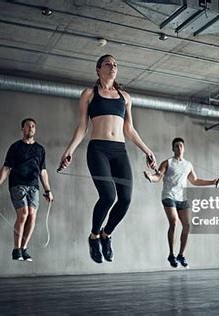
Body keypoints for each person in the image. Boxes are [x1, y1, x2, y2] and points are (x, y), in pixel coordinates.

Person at [58, 54, 157, 264]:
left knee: (126, 198)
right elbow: (83, 126)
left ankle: (106, 234)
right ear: (98, 69)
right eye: (108, 64)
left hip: (119, 150)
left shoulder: (125, 97)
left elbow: (129, 129)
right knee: (108, 196)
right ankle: (94, 236)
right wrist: (69, 150)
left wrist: (147, 150)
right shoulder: (89, 94)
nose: (112, 67)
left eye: (115, 65)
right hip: (98, 150)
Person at [144, 137, 219, 268]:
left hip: (182, 198)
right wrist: (151, 177)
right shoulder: (167, 162)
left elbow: (195, 181)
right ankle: (171, 254)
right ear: (173, 149)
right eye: (176, 146)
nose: (179, 148)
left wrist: (212, 182)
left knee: (187, 225)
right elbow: (159, 176)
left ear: (184, 148)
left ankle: (181, 255)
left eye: (181, 146)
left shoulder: (188, 165)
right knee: (174, 222)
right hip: (169, 196)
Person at [0, 118, 54, 261]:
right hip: (17, 184)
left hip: (34, 187)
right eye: (28, 126)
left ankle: (24, 248)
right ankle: (16, 249)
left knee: (32, 215)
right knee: (23, 214)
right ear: (22, 129)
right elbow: (6, 168)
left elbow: (43, 171)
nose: (31, 128)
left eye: (33, 126)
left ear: (35, 130)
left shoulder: (40, 149)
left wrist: (48, 190)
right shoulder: (15, 147)